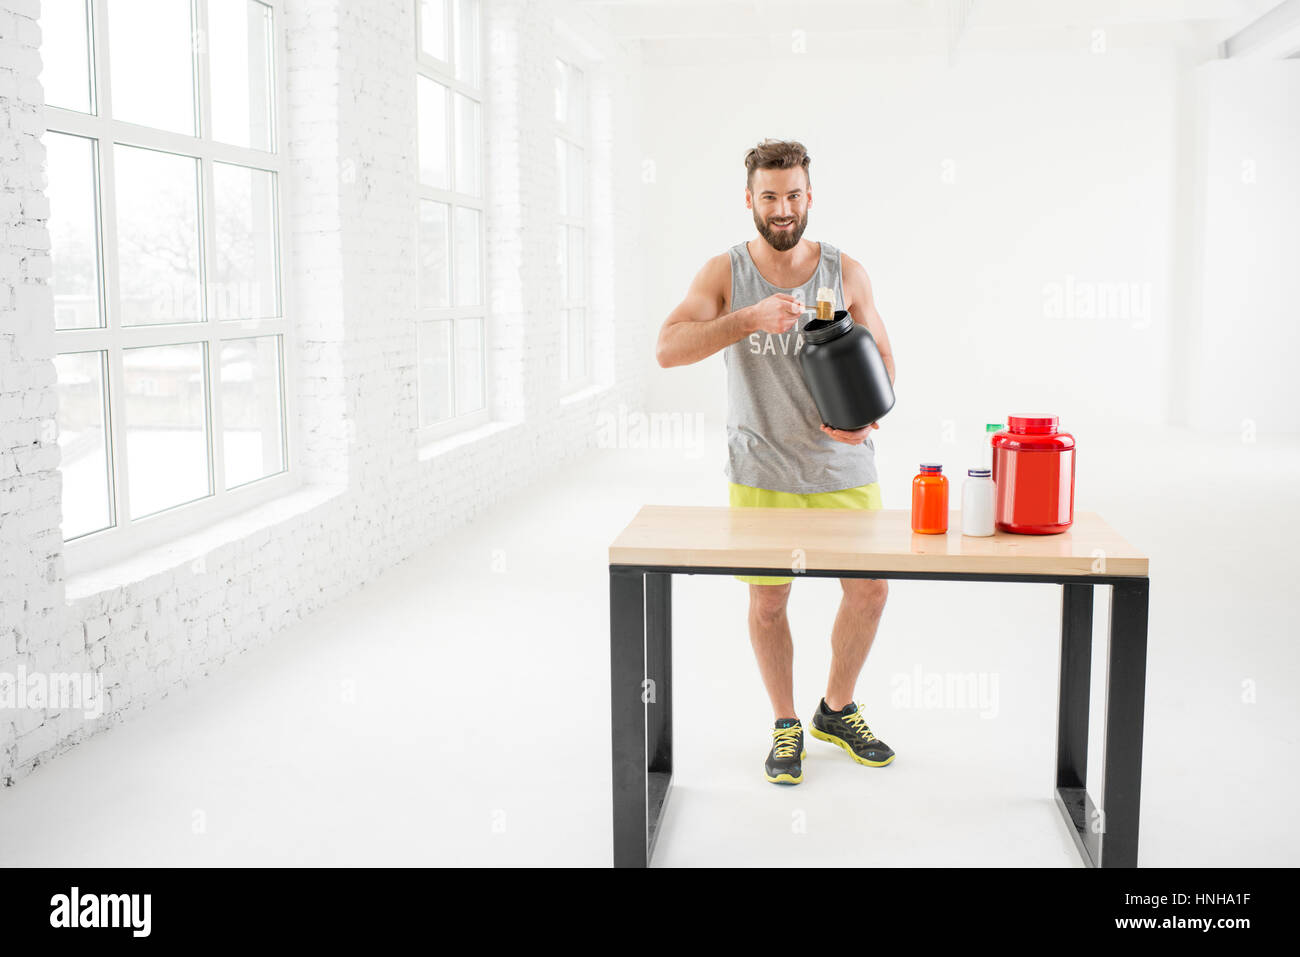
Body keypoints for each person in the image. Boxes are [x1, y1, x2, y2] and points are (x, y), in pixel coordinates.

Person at [654, 138, 898, 786]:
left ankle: (836, 708)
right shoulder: (725, 273)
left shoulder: (846, 271)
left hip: (842, 468)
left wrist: (868, 418)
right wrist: (747, 319)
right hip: (761, 469)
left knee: (870, 590)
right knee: (768, 604)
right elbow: (668, 349)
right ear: (749, 200)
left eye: (794, 195)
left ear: (810, 197)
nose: (783, 208)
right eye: (770, 196)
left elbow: (884, 360)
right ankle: (786, 721)